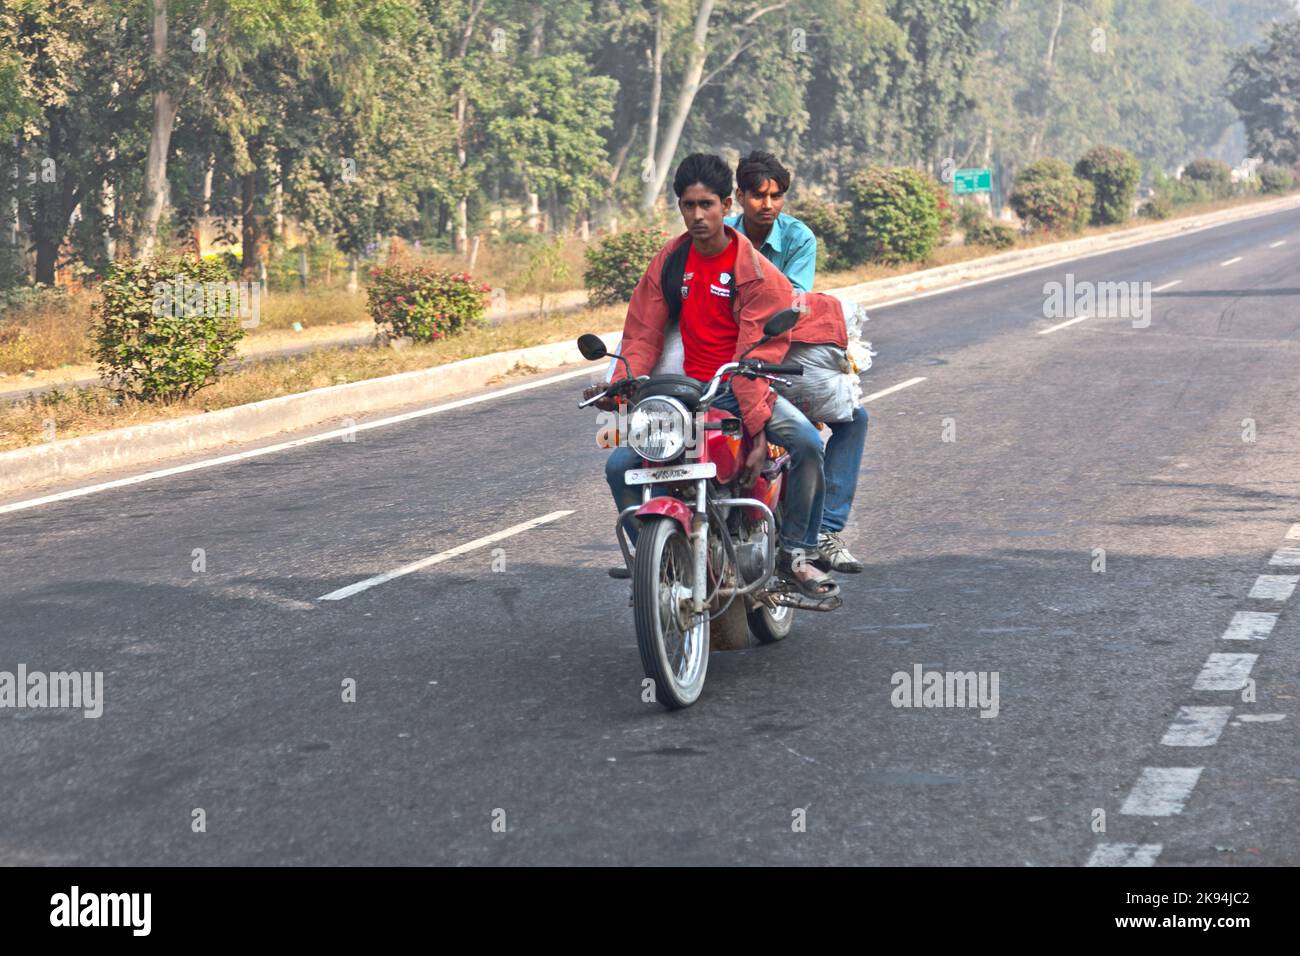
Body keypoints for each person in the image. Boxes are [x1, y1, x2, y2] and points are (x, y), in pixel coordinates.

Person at [585, 153, 842, 599]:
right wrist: (621, 385)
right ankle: (651, 558)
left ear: (726, 204)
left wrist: (758, 427)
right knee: (619, 466)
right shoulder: (670, 260)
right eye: (689, 206)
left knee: (805, 443)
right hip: (685, 393)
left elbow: (754, 352)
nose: (698, 215)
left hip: (740, 384)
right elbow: (644, 331)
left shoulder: (757, 272)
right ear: (680, 207)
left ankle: (797, 554)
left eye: (707, 205)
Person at [726, 151, 869, 574]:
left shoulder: (798, 237)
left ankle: (824, 530)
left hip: (784, 351)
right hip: (728, 355)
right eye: (757, 196)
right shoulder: (721, 236)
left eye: (777, 195)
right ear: (738, 196)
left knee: (854, 419)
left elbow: (791, 304)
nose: (767, 205)